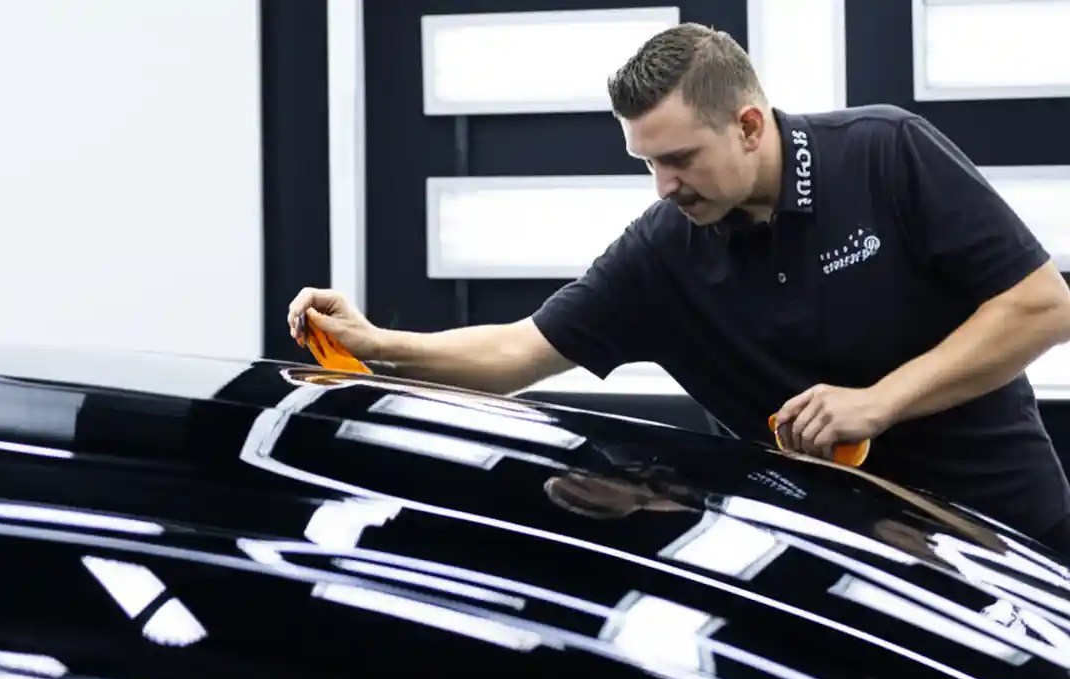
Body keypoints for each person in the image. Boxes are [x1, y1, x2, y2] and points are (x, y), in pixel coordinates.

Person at [286, 23, 1070, 551]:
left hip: (1003, 535)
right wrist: (377, 344)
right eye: (646, 163)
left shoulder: (884, 153)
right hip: (842, 564)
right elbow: (516, 351)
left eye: (681, 159)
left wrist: (881, 400)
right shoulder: (664, 252)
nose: (662, 187)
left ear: (751, 126)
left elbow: (1043, 305)